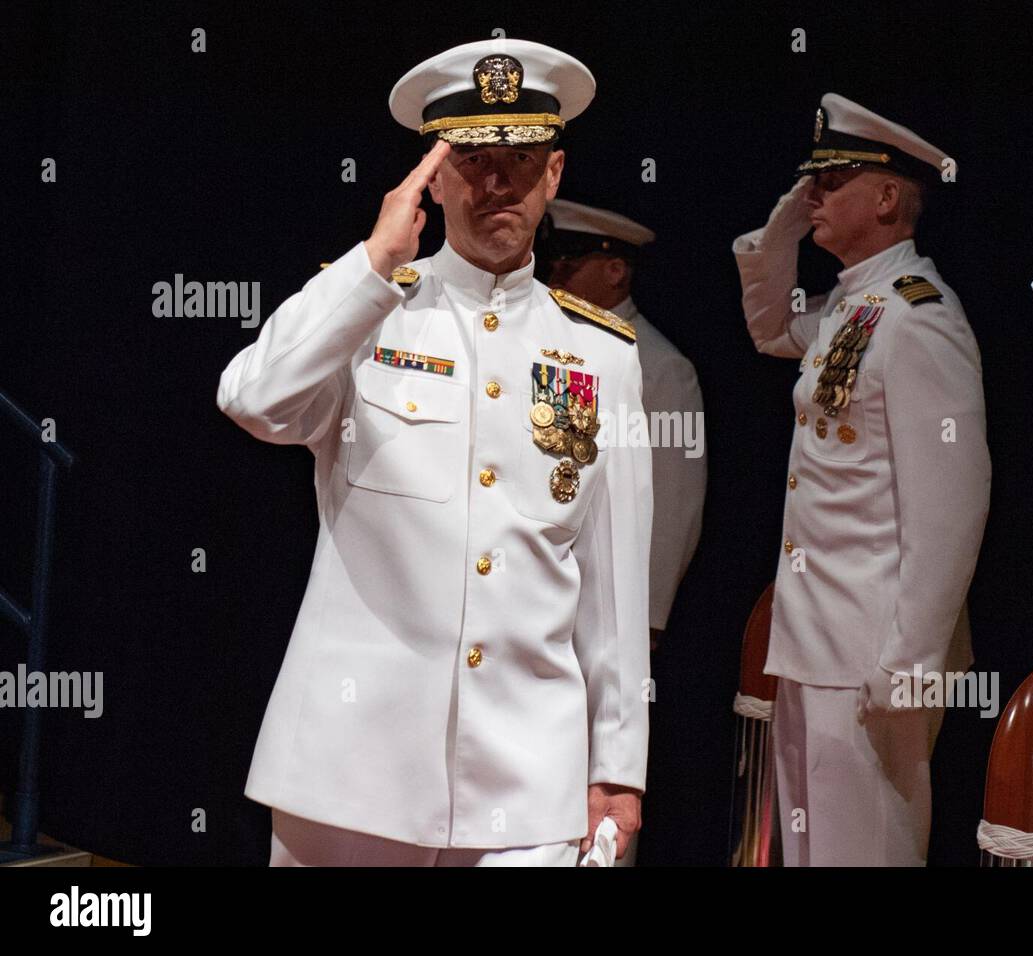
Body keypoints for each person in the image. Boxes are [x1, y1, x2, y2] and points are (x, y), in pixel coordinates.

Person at [216, 38, 652, 866]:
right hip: (351, 768)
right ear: (435, 175)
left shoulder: (603, 354)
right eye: (474, 158)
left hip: (529, 780)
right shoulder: (370, 310)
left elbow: (614, 581)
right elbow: (253, 400)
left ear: (554, 173)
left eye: (520, 159)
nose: (498, 182)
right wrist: (374, 262)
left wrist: (619, 766)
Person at [733, 93, 990, 866]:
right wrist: (785, 223)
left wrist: (910, 659)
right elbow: (770, 325)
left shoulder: (919, 316)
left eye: (832, 180)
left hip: (876, 652)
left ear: (886, 197)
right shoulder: (855, 307)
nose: (814, 195)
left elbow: (950, 507)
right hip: (817, 642)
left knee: (866, 852)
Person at [539, 199, 706, 650]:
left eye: (568, 267)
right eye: (552, 266)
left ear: (615, 271)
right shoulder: (546, 345)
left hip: (606, 591)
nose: (554, 279)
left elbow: (676, 498)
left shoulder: (660, 366)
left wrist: (648, 613)